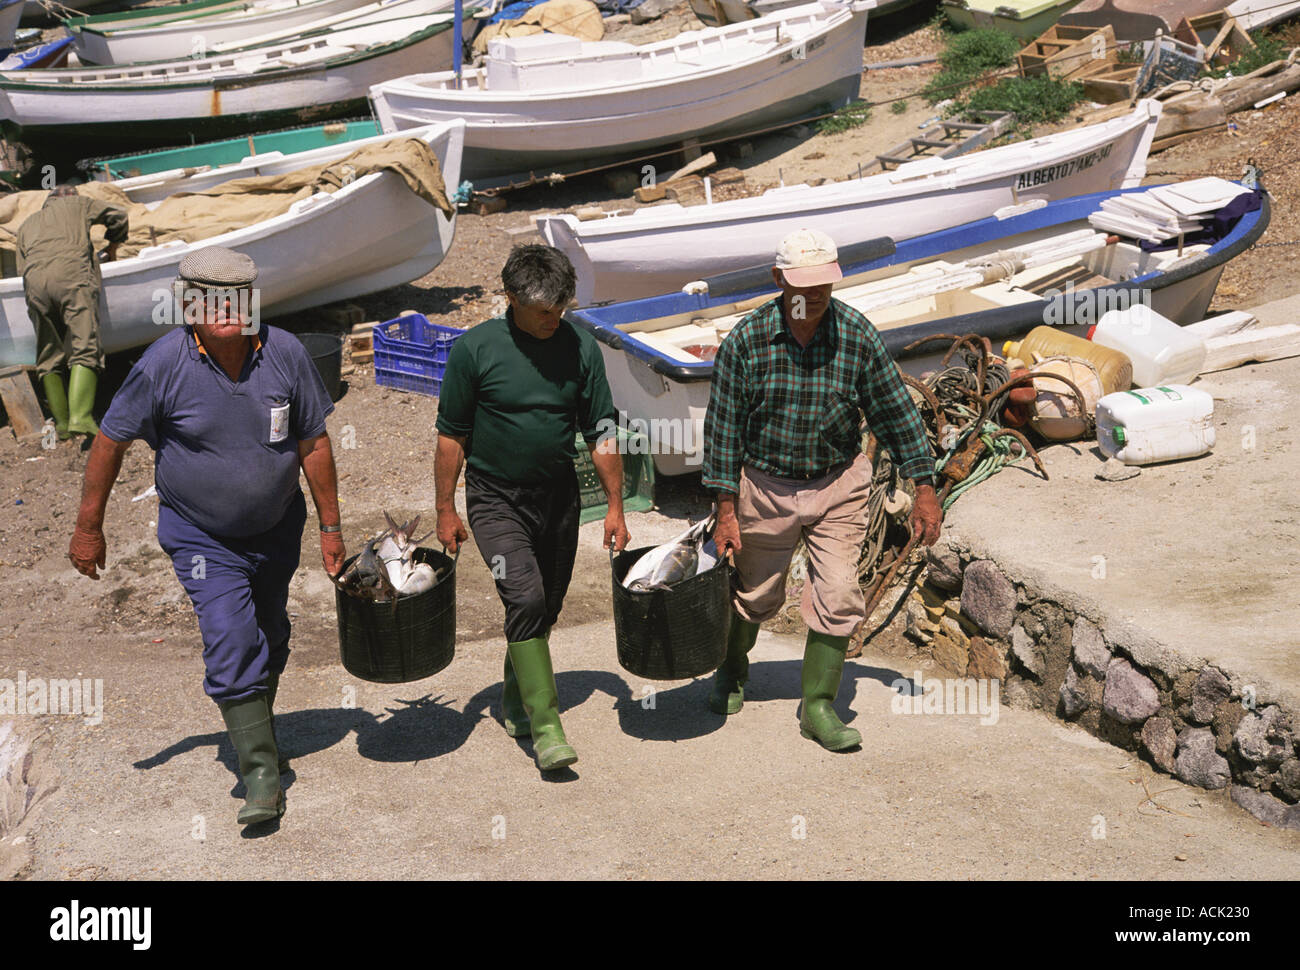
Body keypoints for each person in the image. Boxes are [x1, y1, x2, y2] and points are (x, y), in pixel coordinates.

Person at [67, 246, 345, 826]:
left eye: (238, 298)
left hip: (277, 527)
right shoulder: (161, 365)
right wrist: (88, 526)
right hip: (201, 538)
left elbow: (313, 443)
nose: (226, 310)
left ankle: (257, 731)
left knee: (270, 631)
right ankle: (261, 774)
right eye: (211, 300)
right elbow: (109, 442)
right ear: (188, 305)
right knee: (229, 635)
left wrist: (330, 526)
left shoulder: (286, 354)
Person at [701, 227, 942, 751]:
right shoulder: (745, 342)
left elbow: (894, 412)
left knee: (838, 592)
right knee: (755, 595)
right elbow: (721, 432)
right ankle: (732, 668)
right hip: (764, 486)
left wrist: (924, 486)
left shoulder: (856, 333)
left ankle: (817, 706)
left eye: (822, 288)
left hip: (838, 484)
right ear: (777, 281)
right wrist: (725, 509)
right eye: (800, 288)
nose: (810, 299)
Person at [434, 244, 629, 772]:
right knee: (524, 593)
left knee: (547, 605)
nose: (553, 320)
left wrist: (615, 506)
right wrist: (445, 510)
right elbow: (451, 435)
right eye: (543, 312)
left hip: (559, 497)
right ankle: (547, 728)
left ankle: (514, 699)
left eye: (561, 309)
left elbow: (602, 431)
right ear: (510, 298)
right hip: (495, 497)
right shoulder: (475, 350)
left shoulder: (581, 348)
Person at [18, 183, 129, 440]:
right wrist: (114, 243)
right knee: (85, 345)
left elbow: (22, 265)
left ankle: (63, 425)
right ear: (72, 196)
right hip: (72, 278)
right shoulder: (79, 203)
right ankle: (82, 417)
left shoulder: (27, 224)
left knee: (47, 355)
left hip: (34, 284)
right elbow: (118, 215)